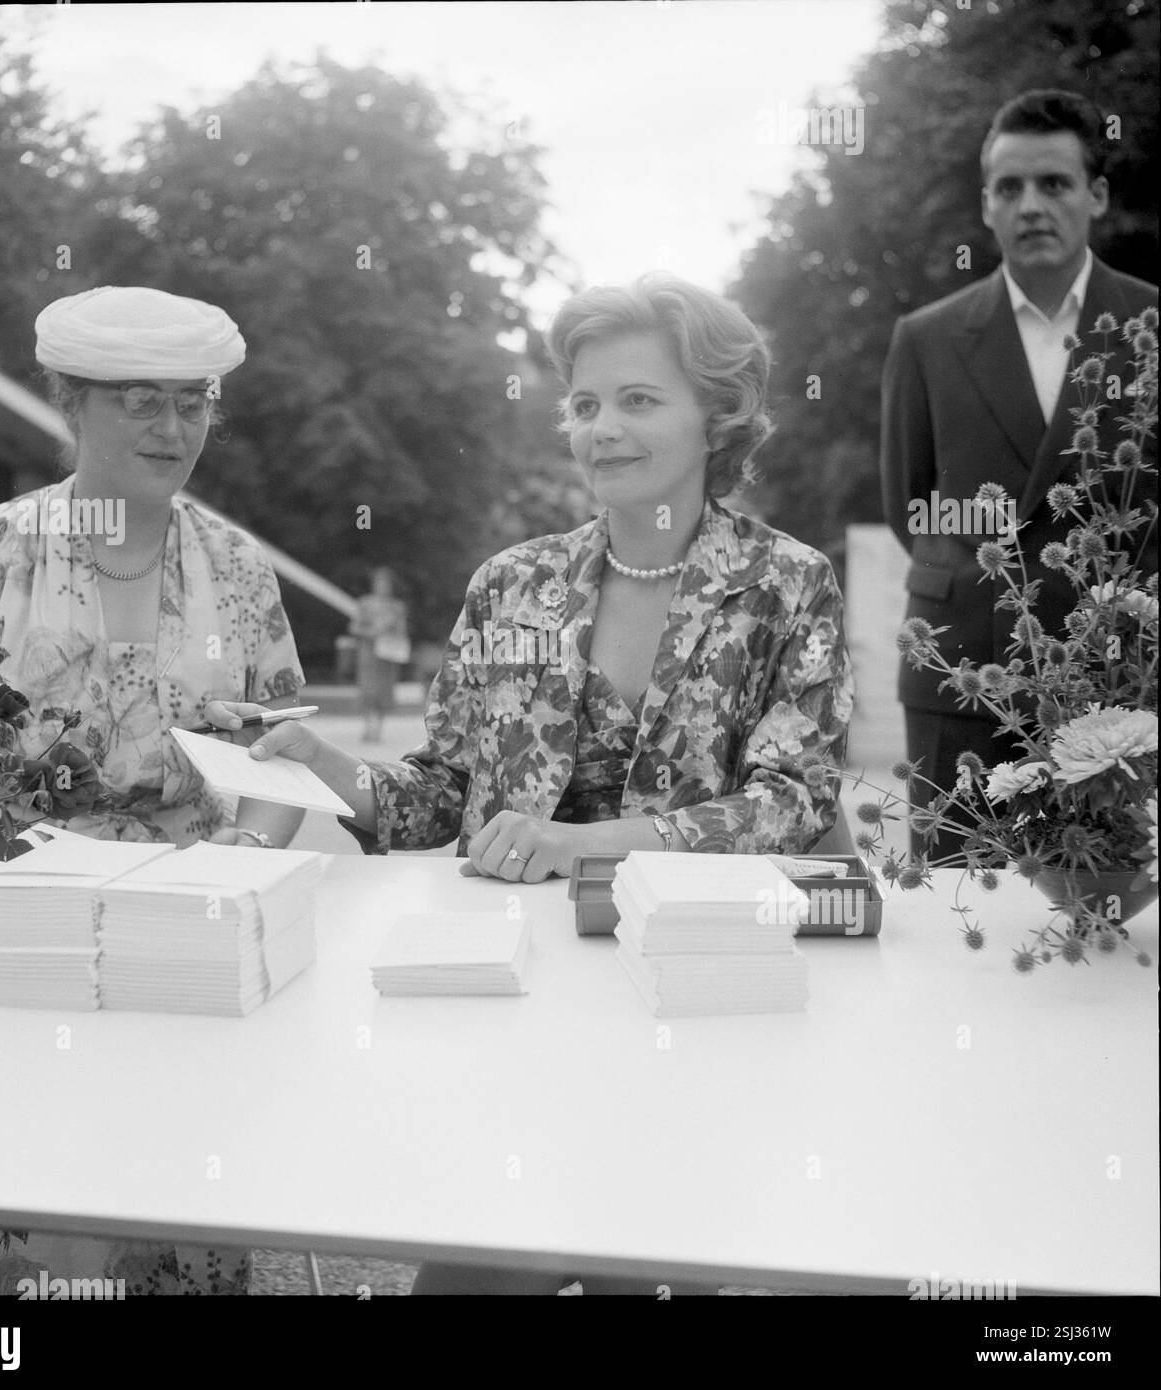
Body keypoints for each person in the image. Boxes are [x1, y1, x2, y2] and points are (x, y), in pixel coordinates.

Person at [206, 271, 854, 1293]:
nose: (601, 427)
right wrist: (332, 771)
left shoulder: (789, 587)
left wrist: (586, 842)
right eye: (585, 403)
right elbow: (437, 792)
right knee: (472, 1273)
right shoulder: (509, 582)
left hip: (677, 998)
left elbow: (791, 802)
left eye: (638, 399)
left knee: (643, 1265)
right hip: (505, 996)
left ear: (717, 414)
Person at [0, 285, 307, 1294]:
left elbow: (282, 749)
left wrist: (242, 869)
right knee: (34, 1211)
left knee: (184, 1204)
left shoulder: (240, 570)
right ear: (69, 404)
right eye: (140, 401)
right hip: (17, 947)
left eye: (194, 401)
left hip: (189, 952)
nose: (174, 428)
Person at [880, 89, 1158, 857]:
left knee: (1109, 922)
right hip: (963, 663)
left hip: (1119, 682)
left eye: (1055, 183)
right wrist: (1000, 586)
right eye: (1010, 188)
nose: (1031, 205)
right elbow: (912, 507)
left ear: (1096, 195)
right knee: (953, 896)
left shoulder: (1150, 326)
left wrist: (1107, 618)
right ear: (986, 205)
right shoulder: (927, 339)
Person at [348, 565, 410, 743]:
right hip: (368, 654)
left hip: (388, 654)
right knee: (367, 690)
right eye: (380, 583)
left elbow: (402, 631)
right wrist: (372, 632)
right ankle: (367, 727)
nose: (383, 587)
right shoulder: (365, 603)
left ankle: (378, 729)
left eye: (386, 583)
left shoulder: (397, 607)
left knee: (384, 691)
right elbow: (354, 627)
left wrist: (392, 632)